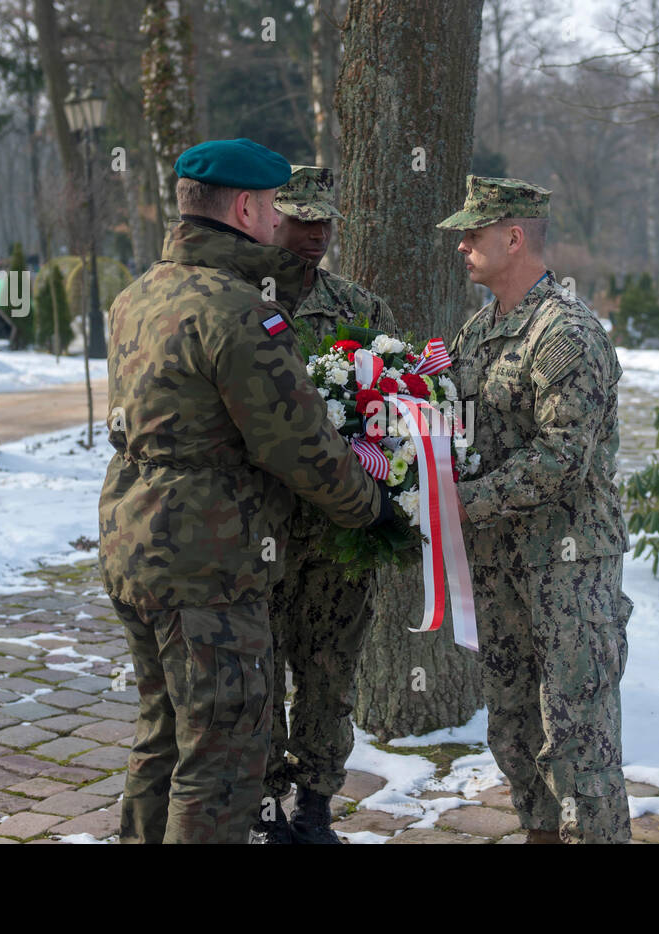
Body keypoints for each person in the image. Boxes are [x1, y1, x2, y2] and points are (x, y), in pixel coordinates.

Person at [98, 138, 389, 844]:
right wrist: (371, 508)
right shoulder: (240, 312)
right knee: (222, 761)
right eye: (271, 206)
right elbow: (301, 447)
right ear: (247, 207)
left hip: (135, 545)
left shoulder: (137, 298)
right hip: (209, 564)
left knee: (162, 738)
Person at [437, 175, 634, 844]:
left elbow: (562, 458)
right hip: (500, 568)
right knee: (514, 736)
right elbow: (460, 420)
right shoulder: (479, 328)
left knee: (578, 748)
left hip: (568, 566)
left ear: (513, 237)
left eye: (473, 232)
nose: (462, 243)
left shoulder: (566, 331)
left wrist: (462, 503)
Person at [251, 166, 400, 844]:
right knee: (257, 676)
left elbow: (399, 410)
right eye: (299, 220)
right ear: (267, 220)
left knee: (329, 676)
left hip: (341, 539)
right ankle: (261, 806)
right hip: (262, 534)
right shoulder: (239, 304)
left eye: (324, 221)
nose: (314, 233)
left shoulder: (361, 309)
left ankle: (314, 807)